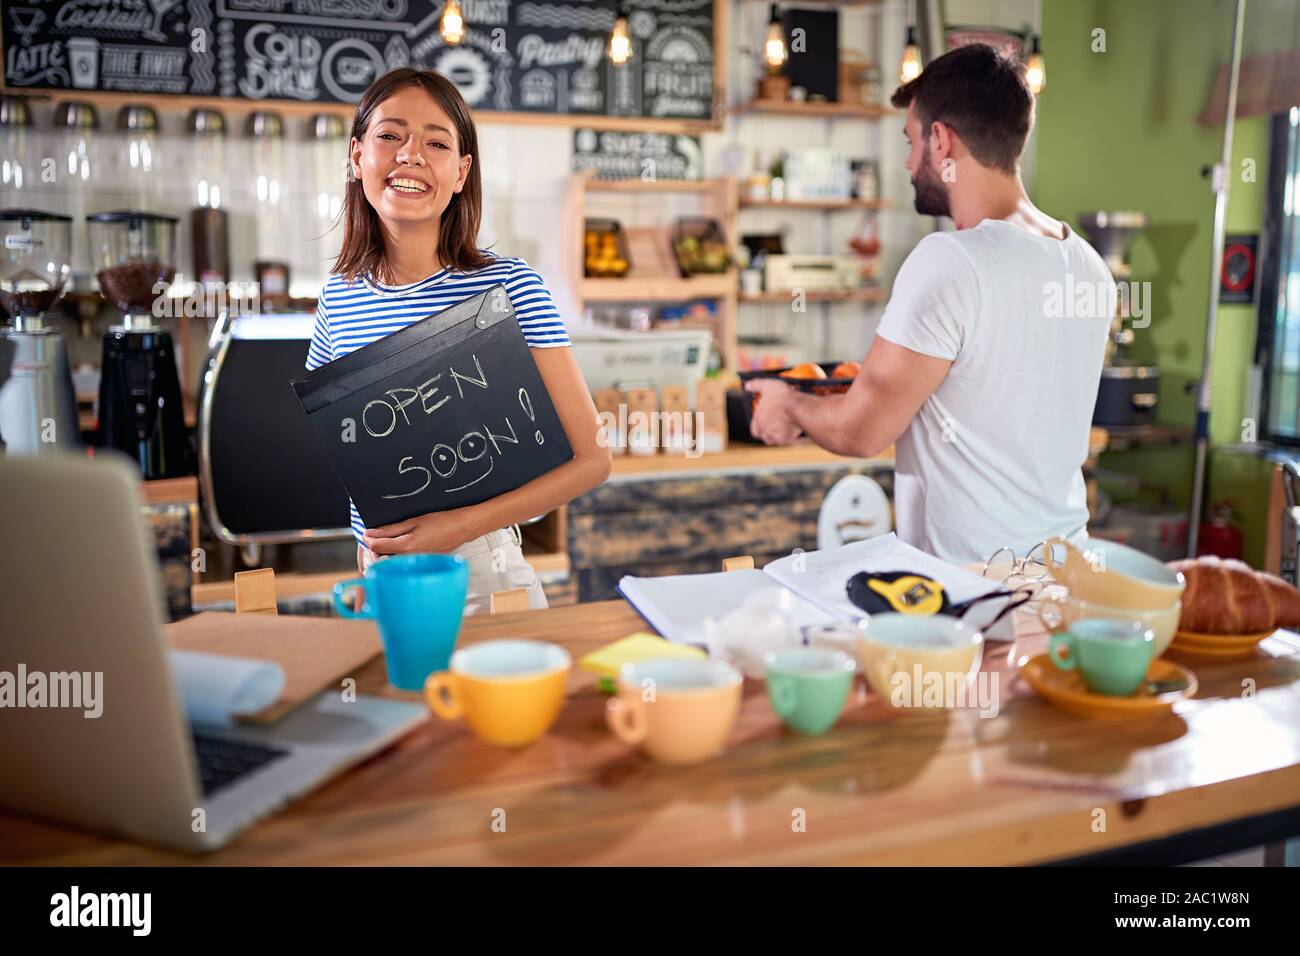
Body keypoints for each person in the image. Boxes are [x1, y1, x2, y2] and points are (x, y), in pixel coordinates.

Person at [746, 44, 1114, 565]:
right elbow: (995, 394)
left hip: (976, 592)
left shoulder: (951, 261)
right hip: (1067, 578)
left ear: (940, 140)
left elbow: (861, 431)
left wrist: (789, 404)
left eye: (912, 140)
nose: (907, 161)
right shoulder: (1090, 267)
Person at [307, 67, 611, 612]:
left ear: (461, 172)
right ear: (357, 158)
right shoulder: (338, 297)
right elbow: (345, 453)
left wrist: (457, 526)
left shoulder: (509, 286)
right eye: (390, 135)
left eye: (437, 142)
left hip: (482, 571)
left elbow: (592, 460)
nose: (411, 155)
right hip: (380, 577)